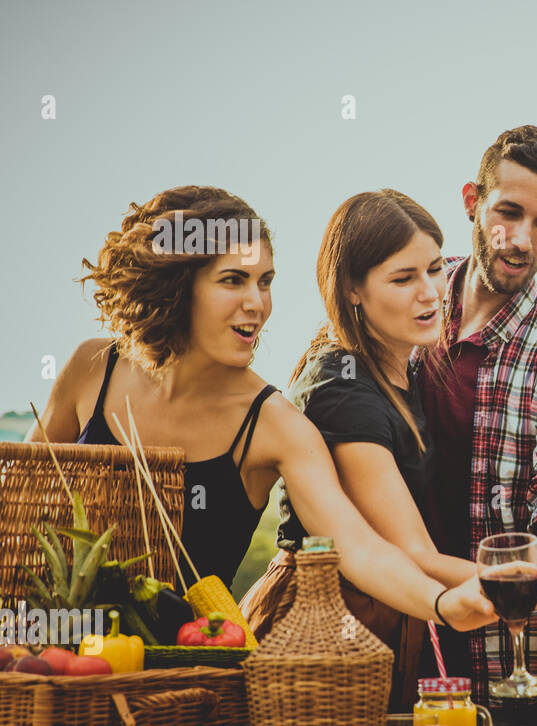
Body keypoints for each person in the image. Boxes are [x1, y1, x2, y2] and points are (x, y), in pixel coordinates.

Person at [32, 185, 496, 631]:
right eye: (233, 280)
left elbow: (359, 549)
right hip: (53, 662)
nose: (257, 304)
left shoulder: (275, 425)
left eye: (265, 282)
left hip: (187, 675)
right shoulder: (93, 368)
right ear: (178, 286)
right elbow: (20, 501)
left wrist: (441, 604)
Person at [238, 190, 537, 709]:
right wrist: (533, 584)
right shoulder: (342, 387)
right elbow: (409, 550)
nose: (430, 293)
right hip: (322, 640)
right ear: (352, 290)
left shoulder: (402, 366)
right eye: (403, 279)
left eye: (433, 269)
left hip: (379, 625)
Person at [417, 126, 537, 716]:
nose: (523, 239)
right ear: (472, 201)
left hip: (502, 651)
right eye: (508, 212)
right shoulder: (409, 297)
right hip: (389, 619)